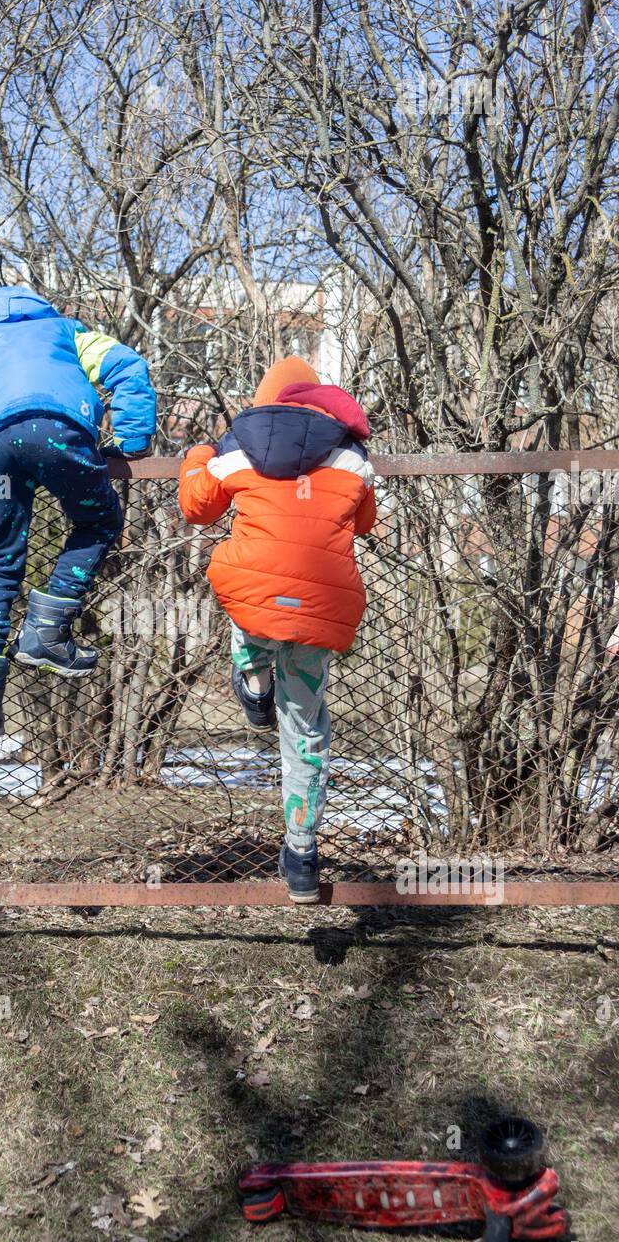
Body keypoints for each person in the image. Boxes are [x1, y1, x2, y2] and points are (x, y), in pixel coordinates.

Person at [178, 355, 376, 902]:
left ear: (266, 400)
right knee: (306, 734)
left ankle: (254, 681)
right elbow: (364, 522)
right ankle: (302, 856)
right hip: (319, 604)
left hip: (254, 596)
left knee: (251, 611)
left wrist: (198, 455)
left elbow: (196, 508)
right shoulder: (352, 457)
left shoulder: (238, 446)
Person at [0, 284, 156, 736]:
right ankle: (46, 632)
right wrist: (132, 440)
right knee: (98, 520)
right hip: (58, 432)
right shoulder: (66, 332)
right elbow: (127, 367)